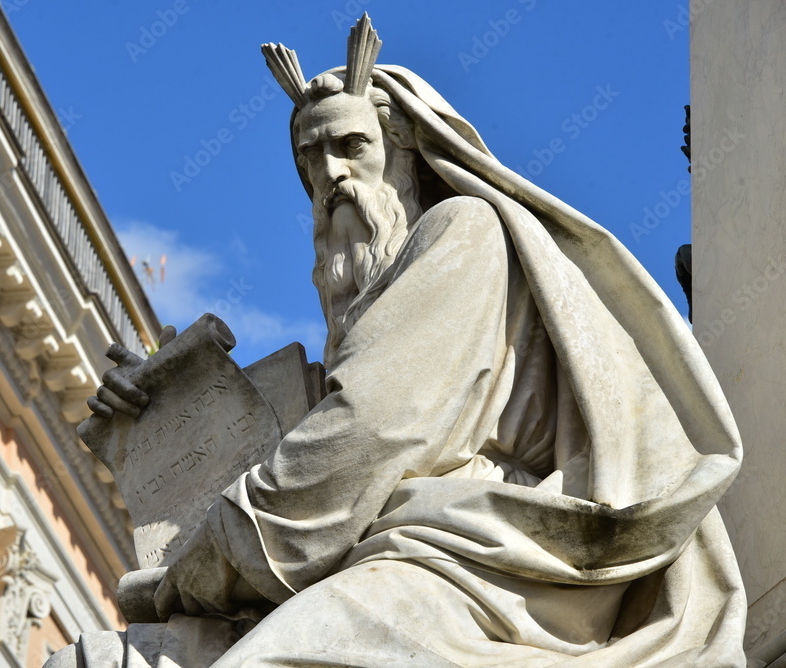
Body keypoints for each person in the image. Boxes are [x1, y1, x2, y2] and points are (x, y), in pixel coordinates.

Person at [50, 15, 746, 667]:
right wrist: (159, 418)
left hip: (489, 557)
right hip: (397, 546)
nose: (330, 177)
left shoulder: (461, 232)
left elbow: (365, 437)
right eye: (310, 161)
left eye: (351, 147)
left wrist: (192, 572)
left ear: (408, 149)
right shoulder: (372, 309)